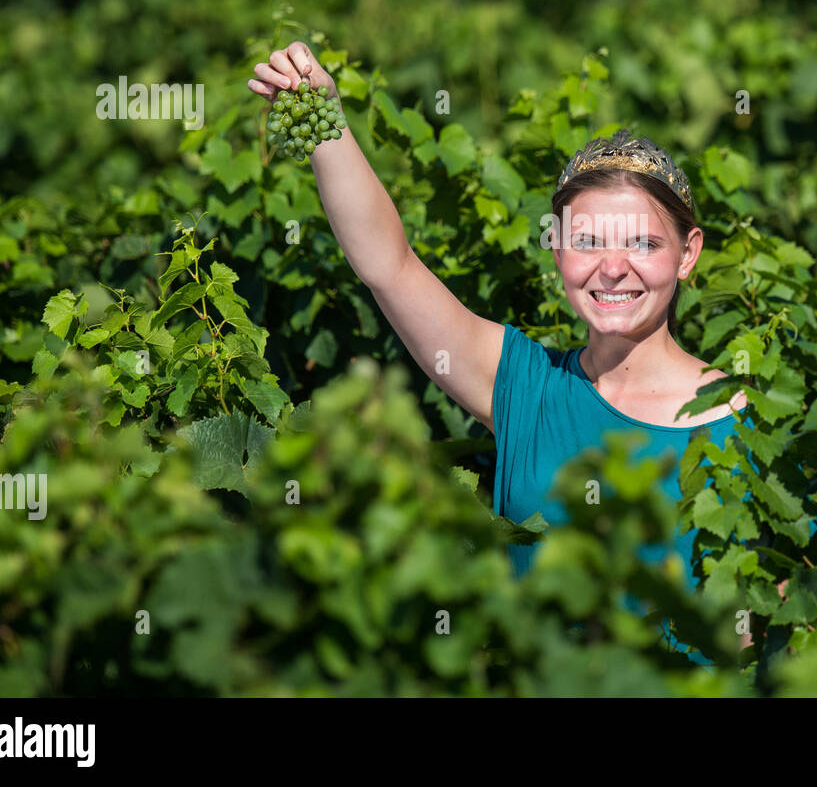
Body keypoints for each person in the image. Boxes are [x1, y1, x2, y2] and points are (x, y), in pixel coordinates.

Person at [249, 43, 751, 665]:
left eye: (643, 243)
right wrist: (324, 122)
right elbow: (389, 265)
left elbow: (771, 636)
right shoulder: (524, 387)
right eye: (587, 240)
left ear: (688, 253)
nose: (613, 268)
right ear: (558, 252)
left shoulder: (742, 417)